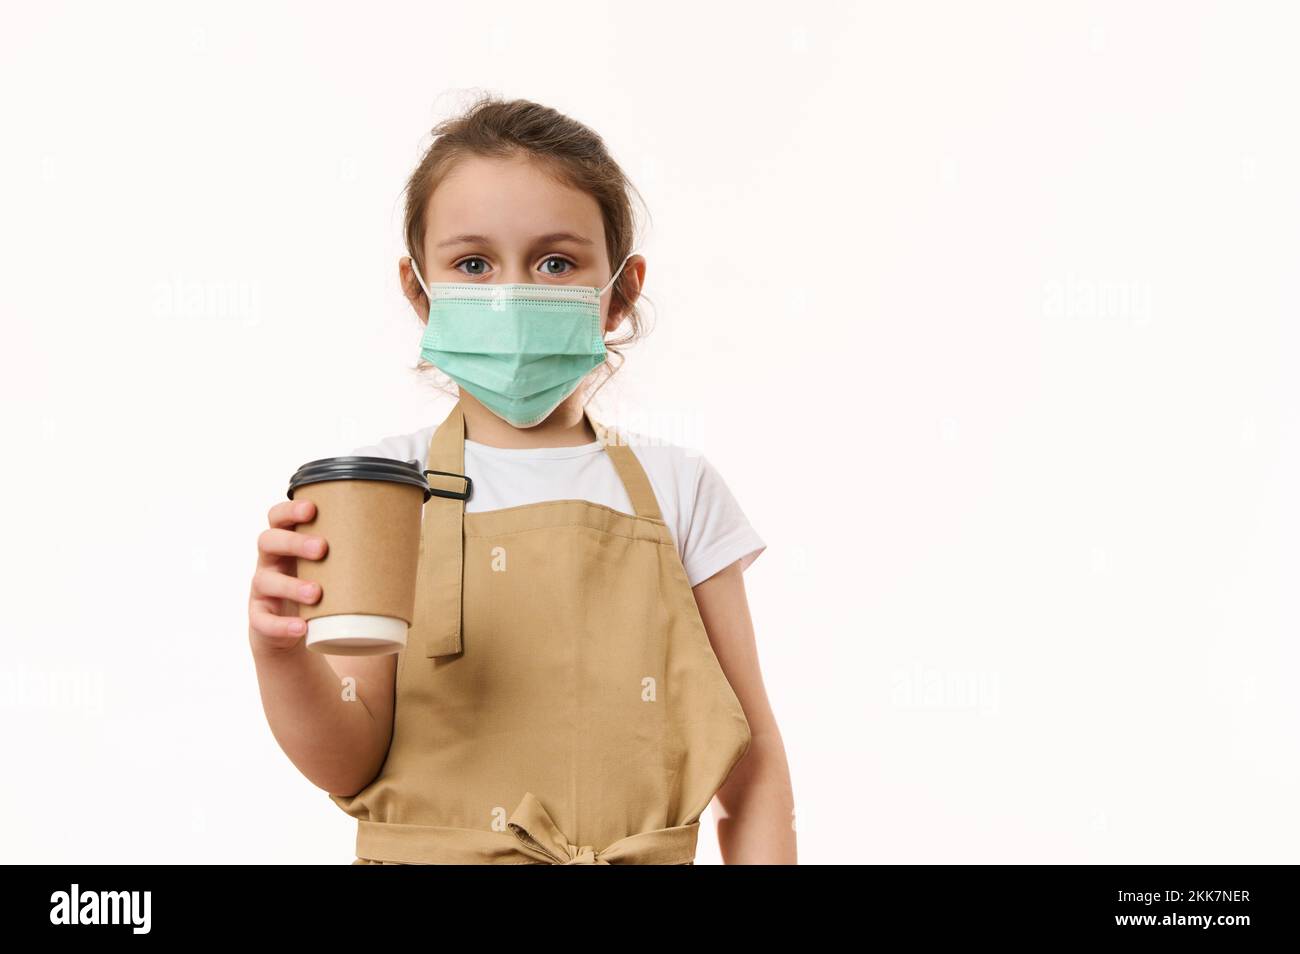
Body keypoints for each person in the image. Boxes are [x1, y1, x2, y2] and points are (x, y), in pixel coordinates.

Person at [248, 95, 796, 864]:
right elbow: (347, 758)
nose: (511, 291)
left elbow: (753, 763)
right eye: (473, 264)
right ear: (419, 291)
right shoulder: (380, 492)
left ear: (621, 292)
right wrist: (280, 655)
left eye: (556, 262)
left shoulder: (682, 488)